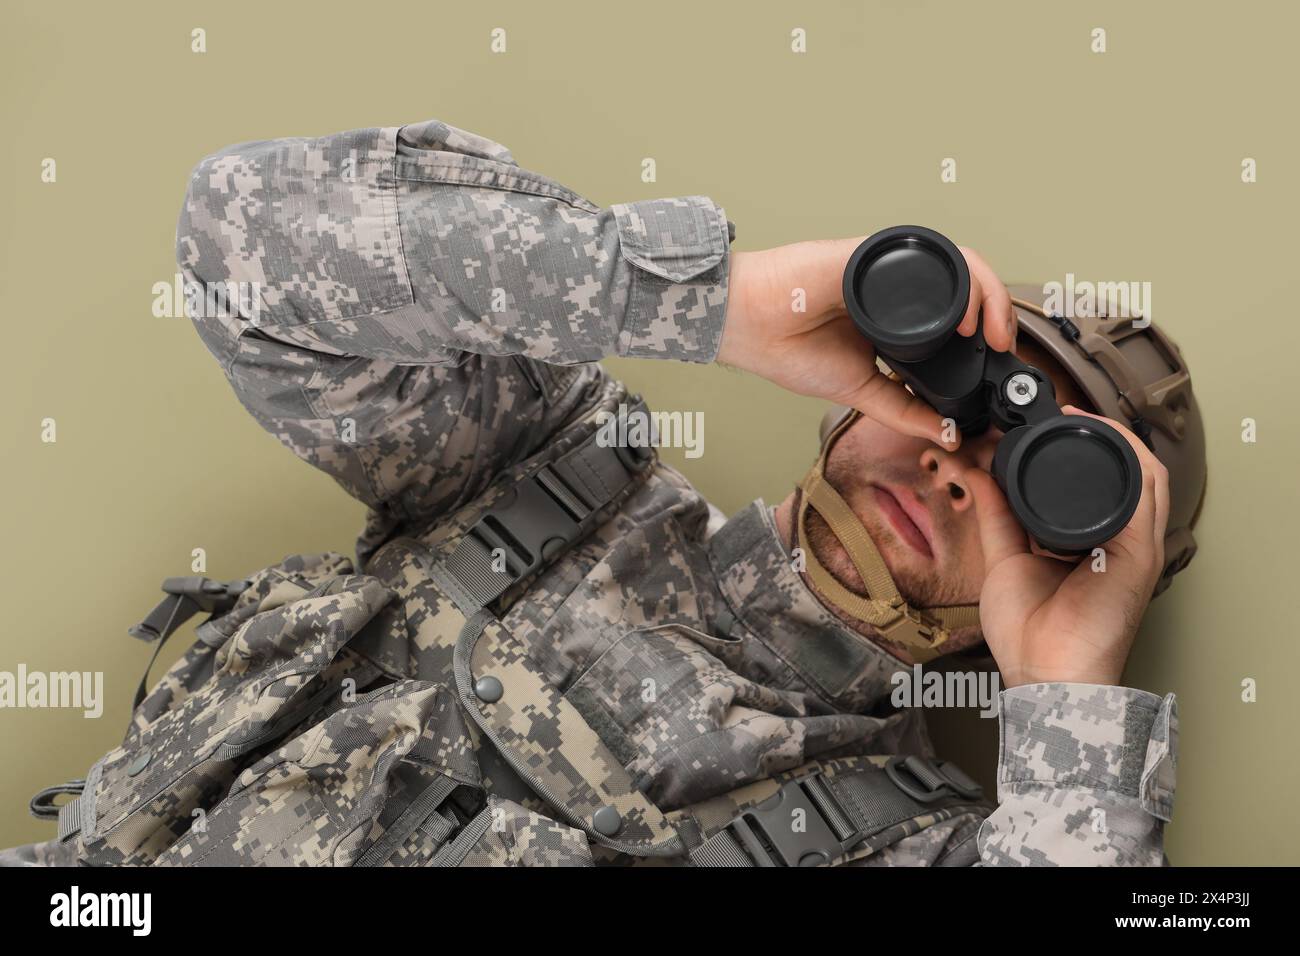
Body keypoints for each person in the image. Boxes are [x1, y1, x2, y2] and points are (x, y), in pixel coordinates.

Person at [2, 117, 1204, 867]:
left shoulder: (907, 835)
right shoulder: (540, 467)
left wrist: (1068, 687)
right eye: (963, 409)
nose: (956, 467)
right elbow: (242, 239)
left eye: (1039, 480)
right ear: (870, 391)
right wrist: (701, 303)